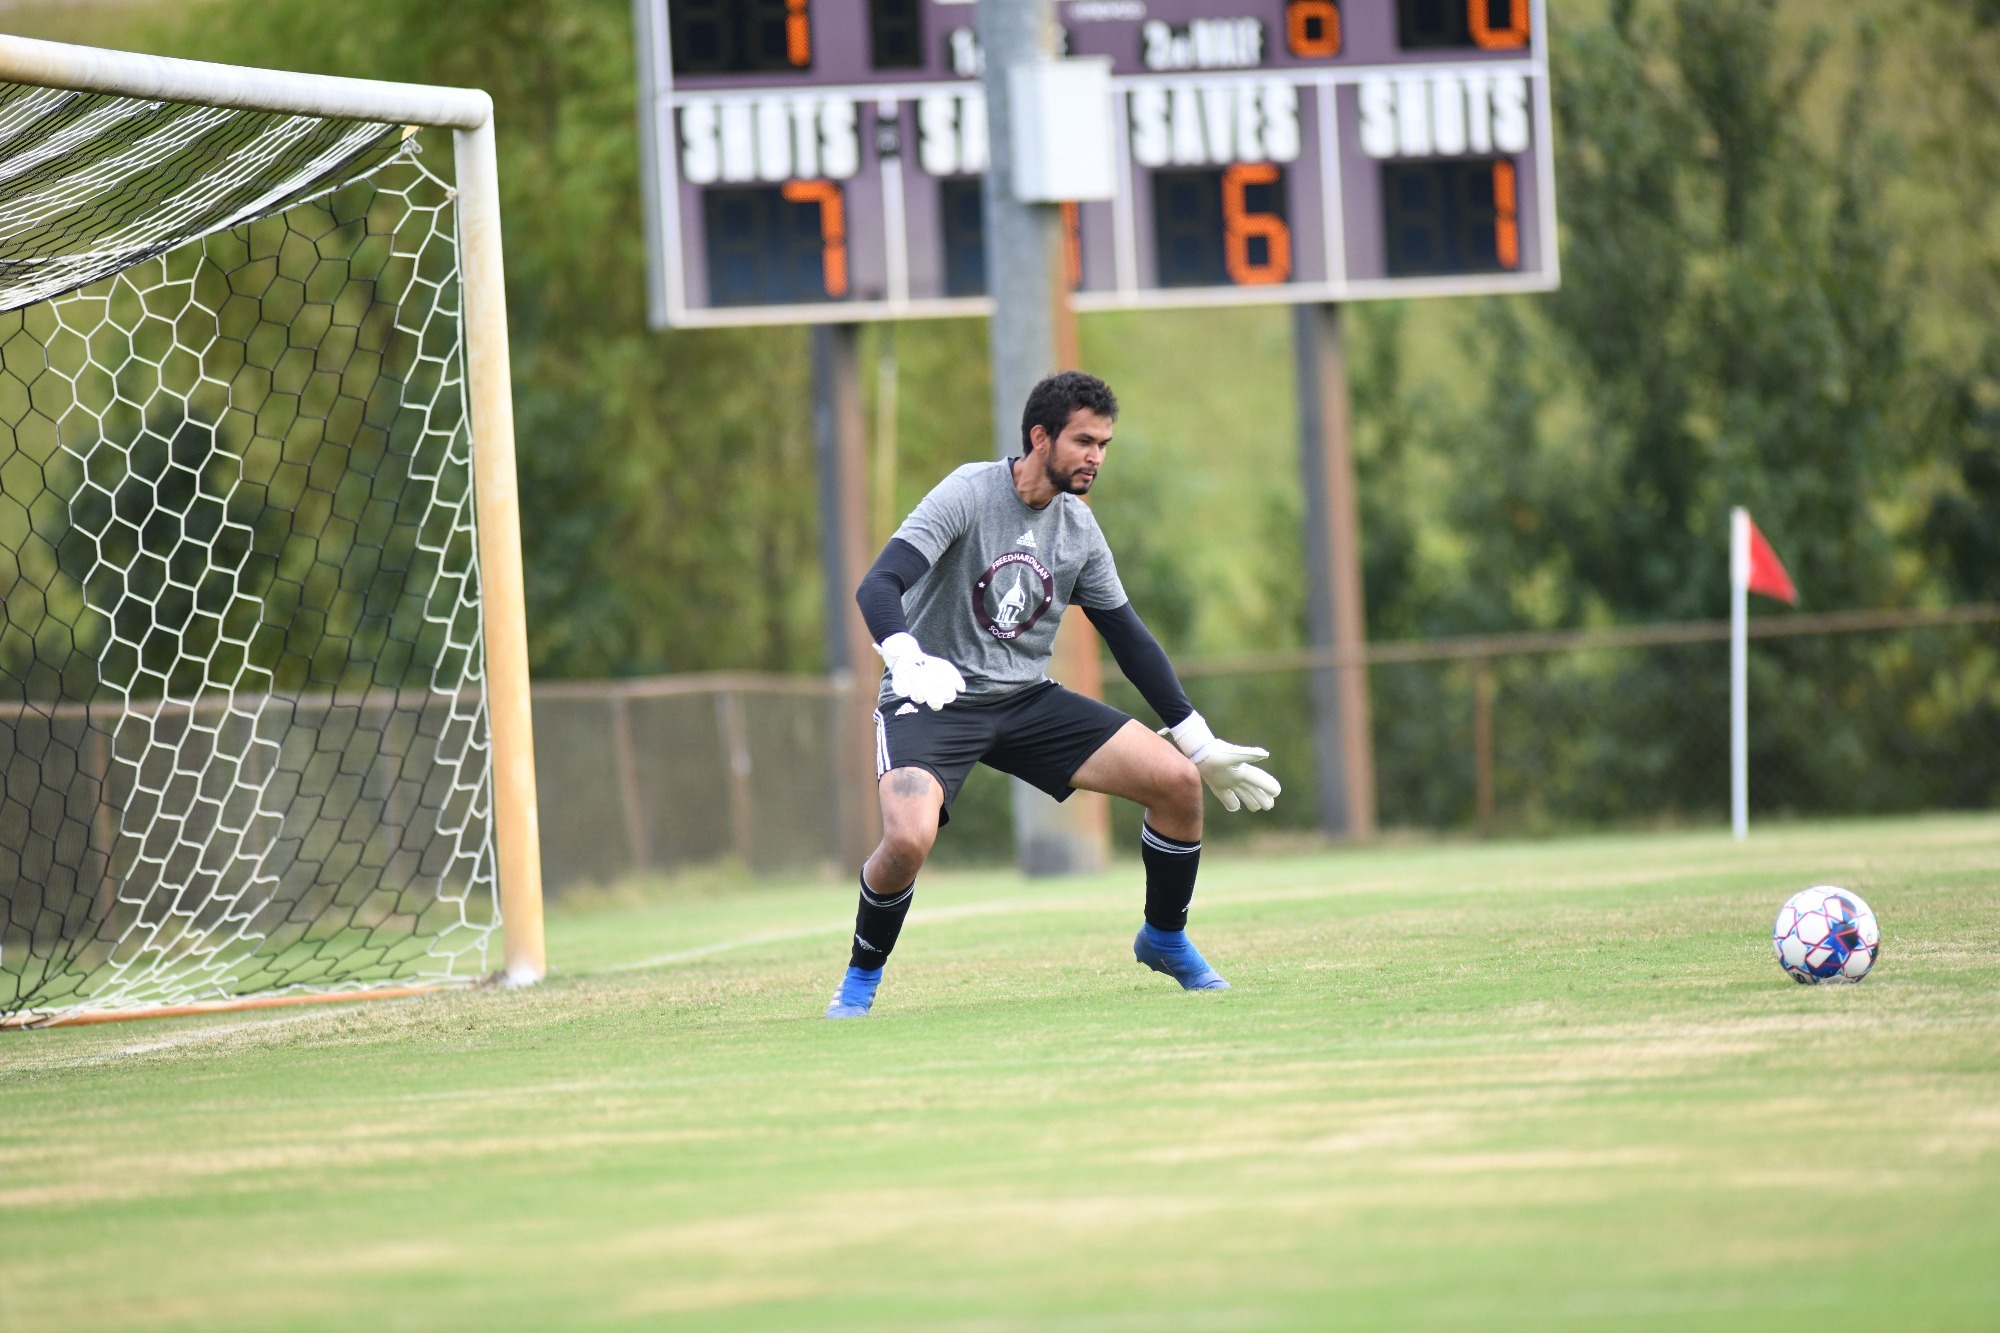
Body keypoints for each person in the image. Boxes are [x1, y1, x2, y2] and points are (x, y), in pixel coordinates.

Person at [824, 371, 1281, 1018]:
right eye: (1084, 440)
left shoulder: (1078, 529)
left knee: (1178, 783)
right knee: (907, 839)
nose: (1097, 456)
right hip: (932, 695)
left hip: (1024, 698)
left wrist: (1196, 738)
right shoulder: (969, 492)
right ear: (1041, 437)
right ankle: (860, 981)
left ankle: (1164, 938)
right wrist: (906, 654)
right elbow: (879, 584)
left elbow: (1129, 637)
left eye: (1104, 443)